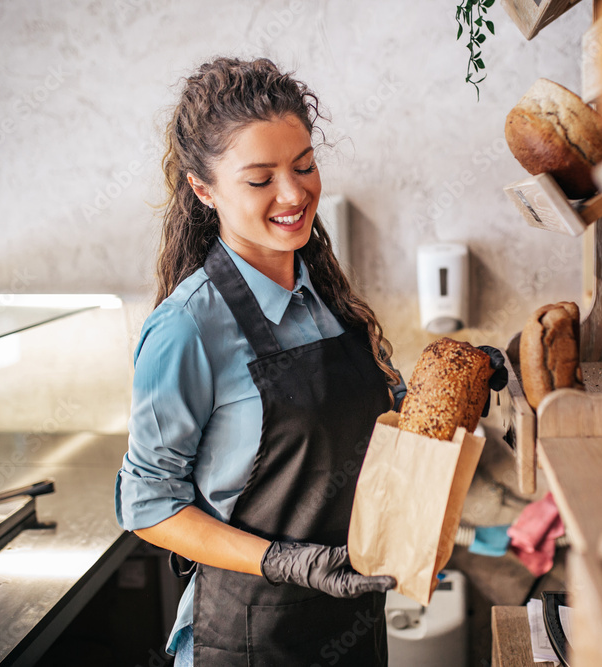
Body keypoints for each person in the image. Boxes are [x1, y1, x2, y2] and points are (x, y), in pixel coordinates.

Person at [115, 57, 403, 667]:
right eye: (260, 179)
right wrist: (284, 560)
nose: (295, 194)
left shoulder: (324, 293)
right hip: (249, 640)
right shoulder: (187, 327)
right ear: (203, 189)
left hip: (349, 624)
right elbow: (147, 505)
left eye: (304, 166)